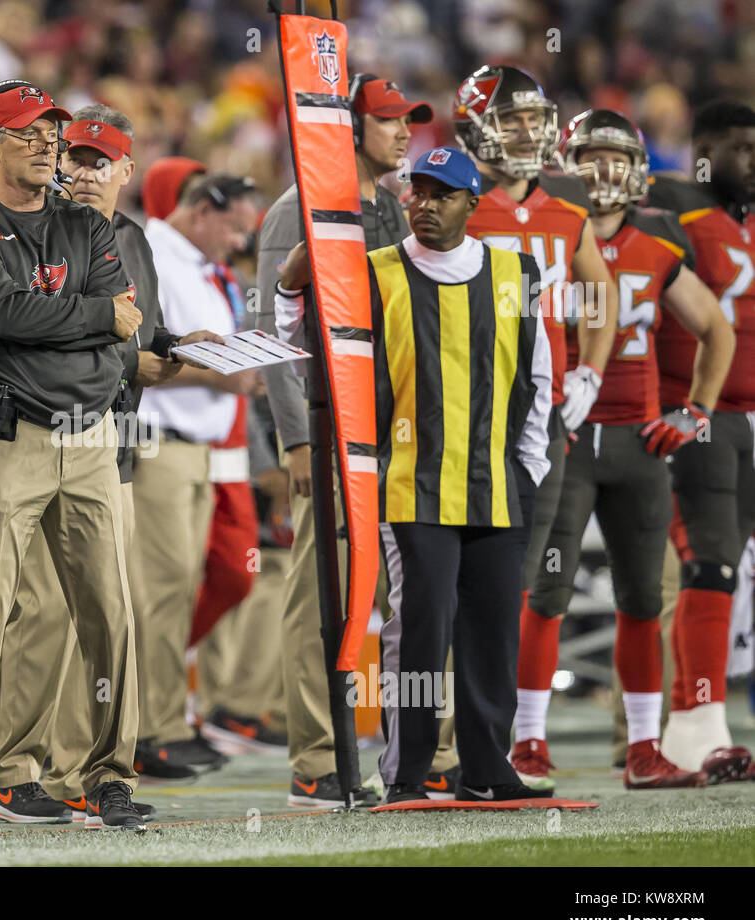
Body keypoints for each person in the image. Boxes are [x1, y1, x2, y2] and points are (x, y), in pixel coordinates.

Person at [280, 146, 553, 803]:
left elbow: (538, 372)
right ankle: (406, 772)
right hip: (408, 483)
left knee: (492, 631)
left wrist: (532, 465)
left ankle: (489, 769)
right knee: (420, 631)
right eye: (418, 192)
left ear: (470, 204)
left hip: (494, 480)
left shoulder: (516, 272)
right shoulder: (374, 272)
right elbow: (307, 350)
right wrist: (294, 279)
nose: (424, 205)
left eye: (441, 194)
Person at [0, 79, 145, 833]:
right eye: (28, 134)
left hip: (91, 437)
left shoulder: (86, 224)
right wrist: (87, 317)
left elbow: (123, 327)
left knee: (110, 612)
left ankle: (110, 773)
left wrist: (58, 323)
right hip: (7, 436)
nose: (50, 145)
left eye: (52, 133)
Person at [517, 110, 734, 789]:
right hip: (568, 437)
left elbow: (715, 330)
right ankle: (526, 742)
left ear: (637, 170)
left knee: (641, 598)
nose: (603, 172)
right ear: (565, 161)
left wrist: (694, 412)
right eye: (590, 156)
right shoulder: (548, 228)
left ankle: (644, 748)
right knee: (544, 593)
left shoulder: (658, 242)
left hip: (638, 442)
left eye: (616, 159)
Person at [255, 72, 431, 806]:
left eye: (407, 121)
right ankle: (318, 758)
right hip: (330, 432)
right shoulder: (298, 208)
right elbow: (273, 327)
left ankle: (421, 751)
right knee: (320, 595)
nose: (403, 133)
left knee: (415, 588)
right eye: (388, 120)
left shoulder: (394, 207)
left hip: (395, 431)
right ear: (347, 127)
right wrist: (296, 438)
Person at [452, 64, 619, 790]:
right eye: (511, 119)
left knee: (524, 577)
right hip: (467, 408)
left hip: (541, 411)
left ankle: (516, 738)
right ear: (477, 126)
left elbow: (599, 293)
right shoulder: (452, 200)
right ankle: (442, 740)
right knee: (461, 577)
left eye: (533, 120)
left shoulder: (565, 208)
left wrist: (590, 372)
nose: (527, 132)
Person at [130, 172, 260, 776]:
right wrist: (222, 374)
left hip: (198, 445)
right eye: (234, 226)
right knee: (160, 590)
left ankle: (170, 719)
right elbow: (136, 359)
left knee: (179, 589)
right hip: (160, 440)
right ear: (202, 210)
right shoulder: (151, 254)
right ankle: (148, 728)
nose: (238, 242)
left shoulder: (196, 267)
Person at [648, 101, 755, 778]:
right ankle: (696, 723)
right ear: (705, 150)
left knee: (726, 564)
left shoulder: (740, 221)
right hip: (699, 408)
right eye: (740, 146)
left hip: (744, 418)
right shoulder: (669, 205)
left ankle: (691, 723)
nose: (752, 158)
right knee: (709, 562)